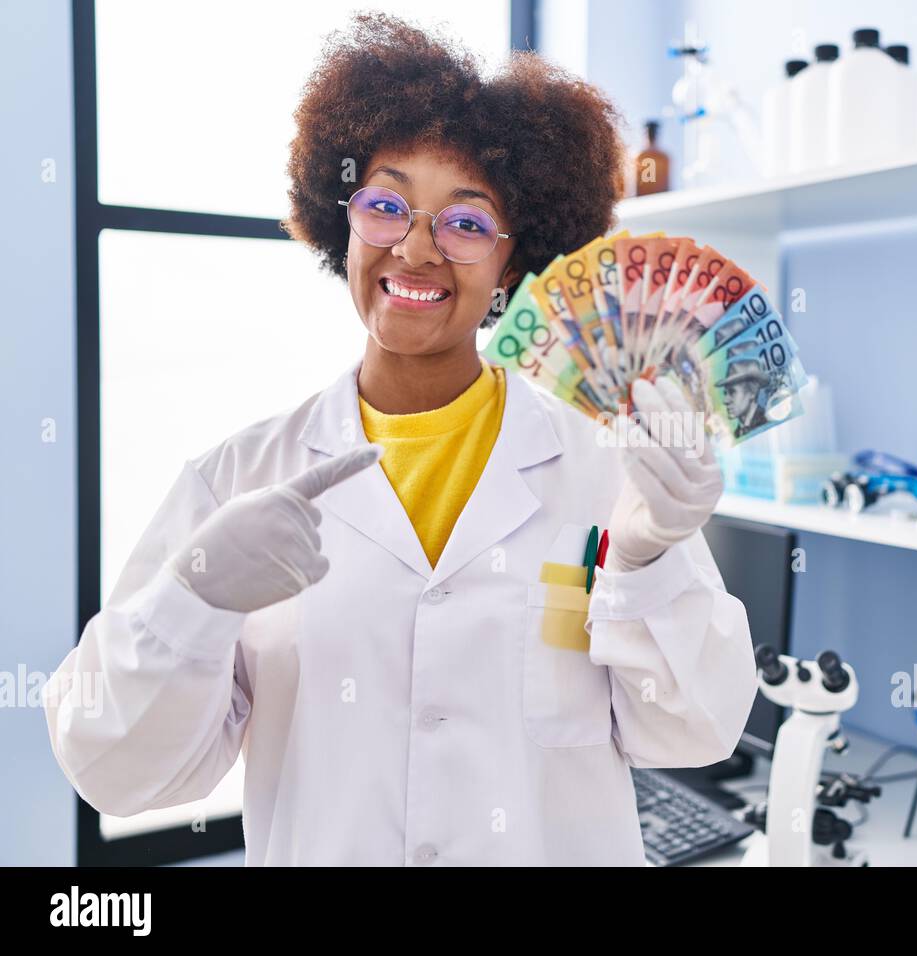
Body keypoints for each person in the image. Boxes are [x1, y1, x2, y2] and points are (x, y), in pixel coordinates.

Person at [44, 14, 756, 866]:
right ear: (342, 221)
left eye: (464, 223)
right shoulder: (235, 478)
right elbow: (114, 771)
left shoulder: (604, 471)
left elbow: (698, 731)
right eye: (385, 206)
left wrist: (648, 562)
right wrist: (193, 597)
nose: (416, 250)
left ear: (509, 260)